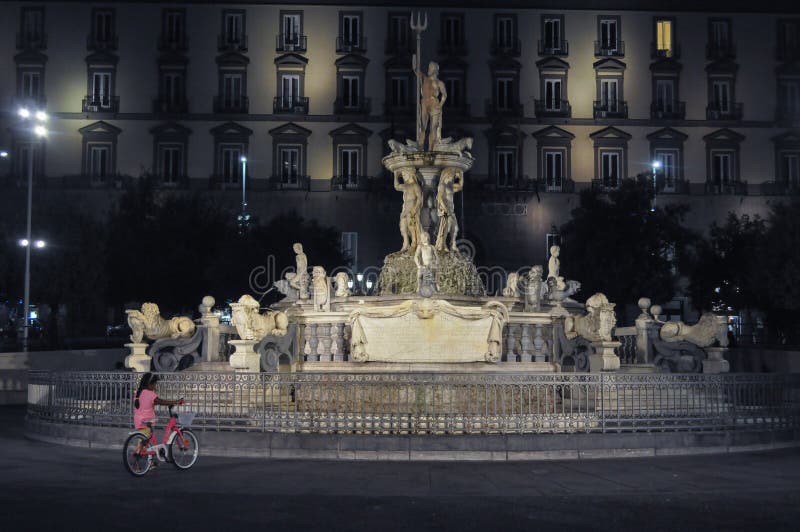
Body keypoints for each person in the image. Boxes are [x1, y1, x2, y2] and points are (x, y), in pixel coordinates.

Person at [133, 373, 184, 464]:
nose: (155, 386)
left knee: (149, 443)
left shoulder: (139, 392)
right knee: (142, 446)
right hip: (147, 421)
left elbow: (148, 403)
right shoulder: (150, 393)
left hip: (138, 421)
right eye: (155, 384)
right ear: (150, 384)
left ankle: (151, 463)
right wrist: (176, 401)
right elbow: (161, 401)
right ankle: (135, 463)